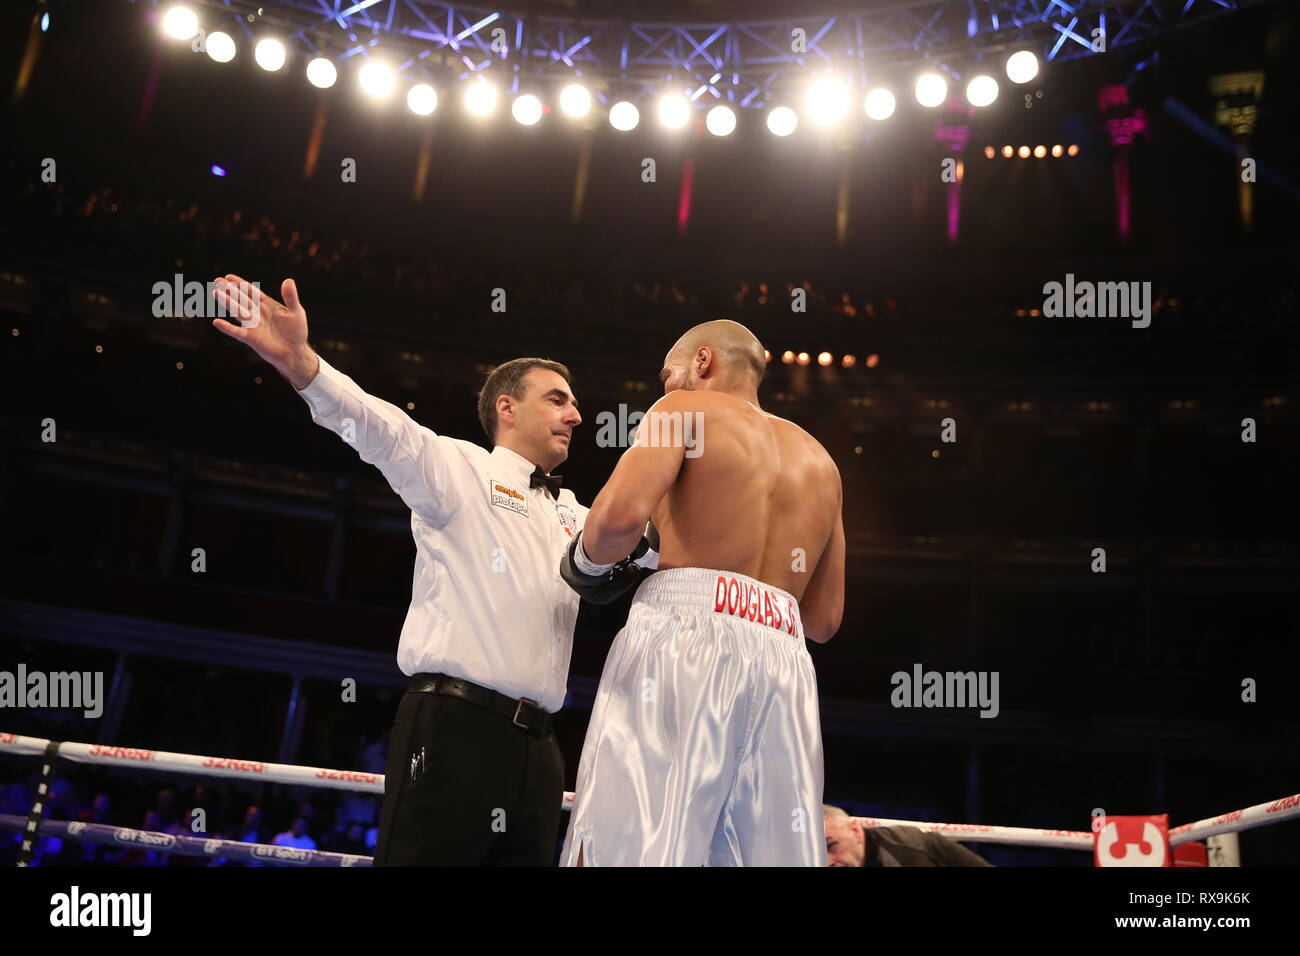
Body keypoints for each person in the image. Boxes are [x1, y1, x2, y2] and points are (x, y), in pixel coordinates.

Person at [211, 274, 617, 866]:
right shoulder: (459, 469)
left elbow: (651, 549)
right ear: (507, 406)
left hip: (541, 745)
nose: (576, 415)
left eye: (575, 402)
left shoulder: (576, 514)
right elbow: (379, 428)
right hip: (455, 725)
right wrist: (303, 364)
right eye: (558, 398)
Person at [558, 319, 845, 866]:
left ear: (703, 361)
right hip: (784, 658)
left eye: (670, 375)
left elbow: (615, 522)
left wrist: (585, 562)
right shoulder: (823, 462)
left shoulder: (680, 411)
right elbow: (825, 620)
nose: (666, 388)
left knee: (635, 840)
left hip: (684, 636)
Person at [823, 805, 994, 867]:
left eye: (831, 845)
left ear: (855, 831)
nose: (828, 862)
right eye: (819, 854)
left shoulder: (906, 852)